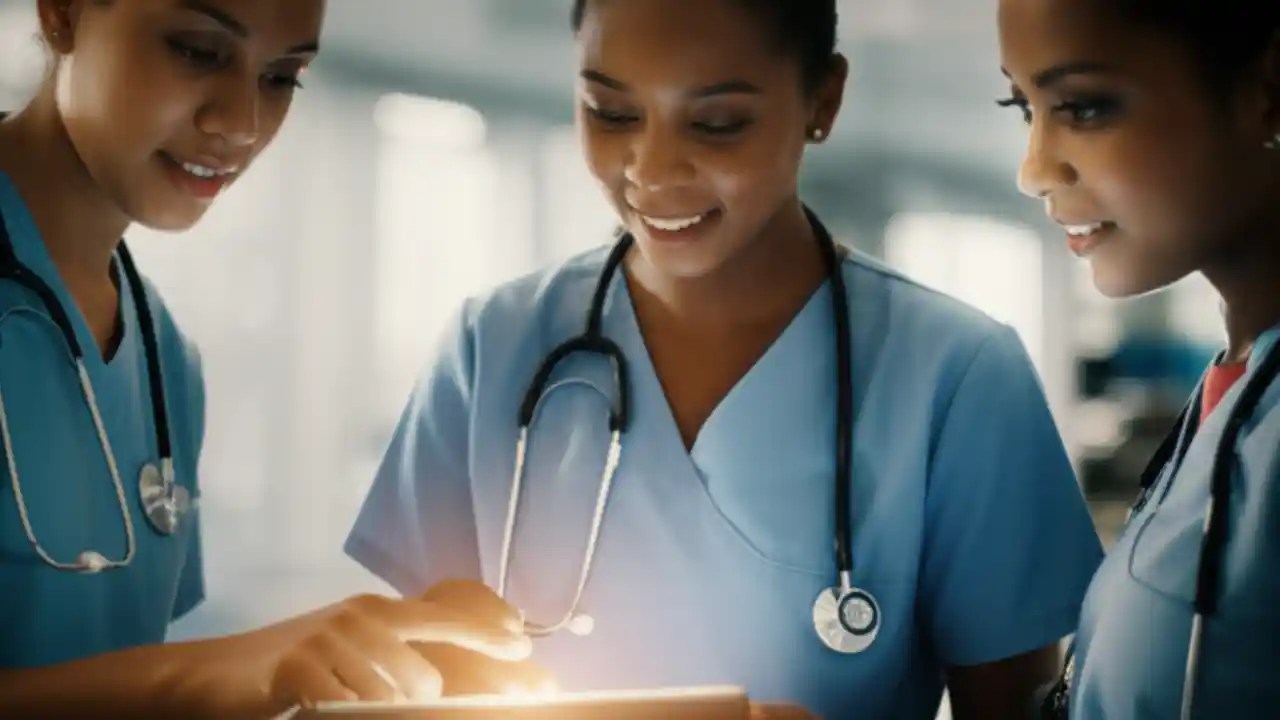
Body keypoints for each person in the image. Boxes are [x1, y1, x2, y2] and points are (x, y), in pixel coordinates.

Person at [346, 1, 1104, 717]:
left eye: (716, 124)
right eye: (611, 113)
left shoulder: (959, 376)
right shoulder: (494, 346)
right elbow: (428, 687)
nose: (653, 168)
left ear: (823, 101)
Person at [0, 1, 542, 716]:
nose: (243, 123)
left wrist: (377, 668)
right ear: (64, 12)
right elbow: (175, 682)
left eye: (283, 77)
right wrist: (215, 675)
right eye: (197, 51)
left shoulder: (166, 362)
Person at [997, 1, 1280, 717]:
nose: (1033, 170)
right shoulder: (1235, 393)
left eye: (1084, 108)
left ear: (1270, 91)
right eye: (1021, 106)